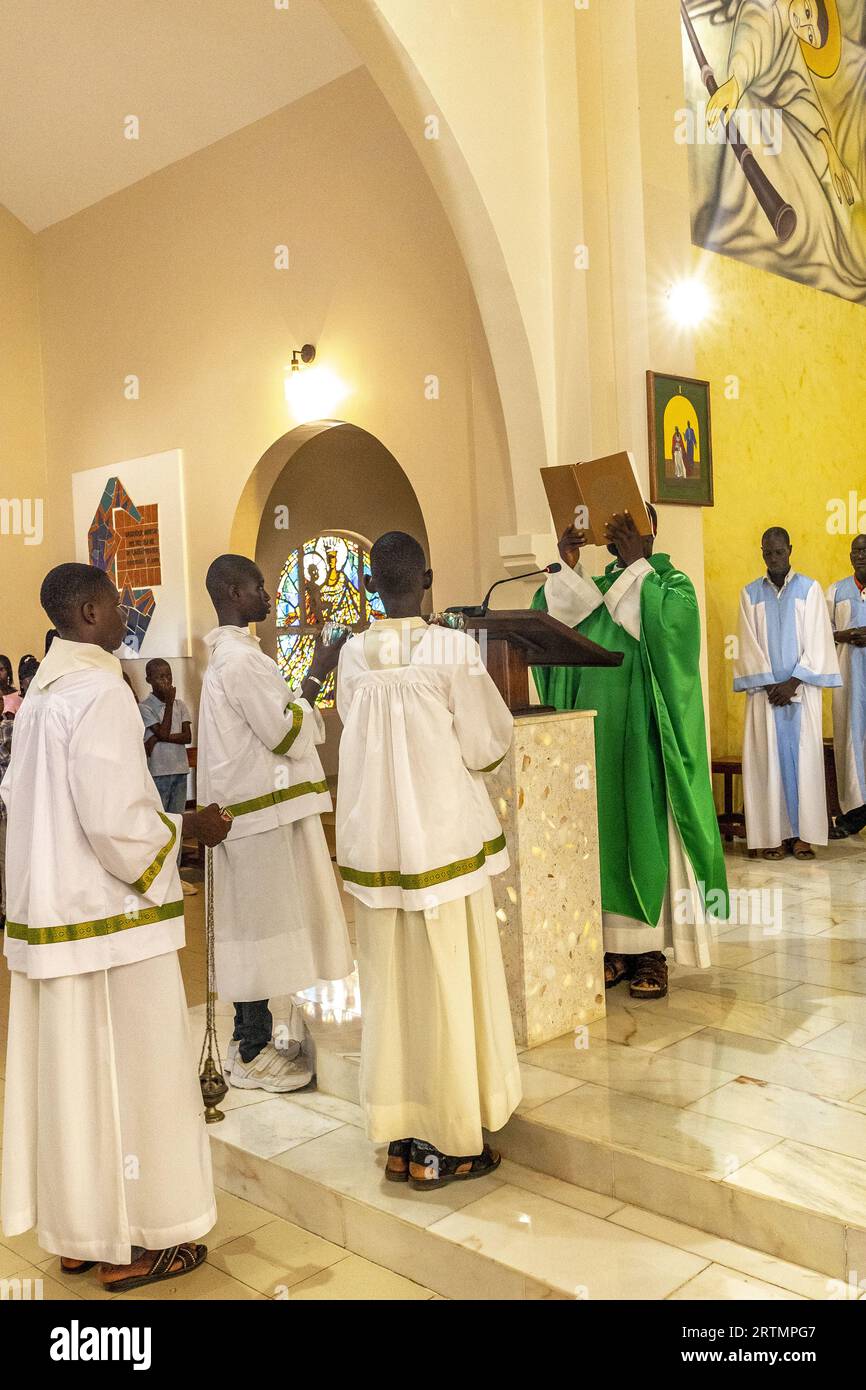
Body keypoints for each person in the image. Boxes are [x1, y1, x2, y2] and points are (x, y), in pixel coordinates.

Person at [1, 563, 231, 1292]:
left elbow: (20, 793)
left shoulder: (43, 690)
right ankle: (147, 1237)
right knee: (138, 1074)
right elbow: (113, 821)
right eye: (120, 603)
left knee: (75, 1077)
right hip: (109, 920)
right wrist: (187, 827)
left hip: (54, 920)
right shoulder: (99, 688)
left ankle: (82, 1232)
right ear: (95, 611)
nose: (127, 612)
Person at [336, 531, 521, 1188]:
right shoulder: (450, 649)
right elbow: (486, 743)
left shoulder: (353, 656)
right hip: (442, 846)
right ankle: (449, 1143)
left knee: (391, 995)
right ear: (429, 578)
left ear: (369, 586)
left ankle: (400, 1141)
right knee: (447, 986)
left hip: (379, 851)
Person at [532, 507, 727, 1000]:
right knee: (599, 835)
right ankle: (611, 948)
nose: (618, 535)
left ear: (651, 531)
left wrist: (641, 564)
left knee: (643, 829)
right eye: (613, 527)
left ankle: (649, 952)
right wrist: (569, 568)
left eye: (632, 526)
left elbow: (673, 636)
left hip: (644, 739)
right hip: (592, 742)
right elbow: (555, 620)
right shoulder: (594, 590)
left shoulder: (672, 584)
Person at [198, 555, 353, 1093]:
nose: (268, 594)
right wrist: (319, 667)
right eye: (261, 587)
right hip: (253, 823)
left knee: (260, 929)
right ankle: (251, 1049)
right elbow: (285, 732)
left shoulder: (237, 657)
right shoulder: (238, 663)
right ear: (236, 593)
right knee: (255, 932)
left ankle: (260, 1038)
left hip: (258, 817)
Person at [734, 527, 841, 859]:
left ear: (790, 550)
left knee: (804, 763)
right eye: (767, 552)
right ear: (762, 552)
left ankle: (803, 837)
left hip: (800, 692)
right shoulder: (749, 594)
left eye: (779, 552)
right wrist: (769, 683)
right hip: (765, 696)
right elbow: (747, 643)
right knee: (769, 764)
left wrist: (792, 683)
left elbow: (819, 639)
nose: (773, 558)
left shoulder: (809, 590)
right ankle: (774, 836)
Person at [139, 659, 194, 889]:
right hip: (159, 773)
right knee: (161, 826)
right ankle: (160, 876)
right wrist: (169, 706)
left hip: (179, 770)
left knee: (177, 823)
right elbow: (162, 729)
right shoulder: (146, 707)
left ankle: (176, 875)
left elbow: (187, 736)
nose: (167, 681)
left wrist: (164, 737)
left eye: (169, 676)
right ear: (149, 680)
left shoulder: (181, 705)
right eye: (160, 677)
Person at [827, 533, 866, 838]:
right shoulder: (836, 591)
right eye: (854, 551)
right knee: (849, 743)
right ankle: (852, 816)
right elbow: (820, 633)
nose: (859, 555)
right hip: (847, 680)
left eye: (864, 550)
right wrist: (844, 635)